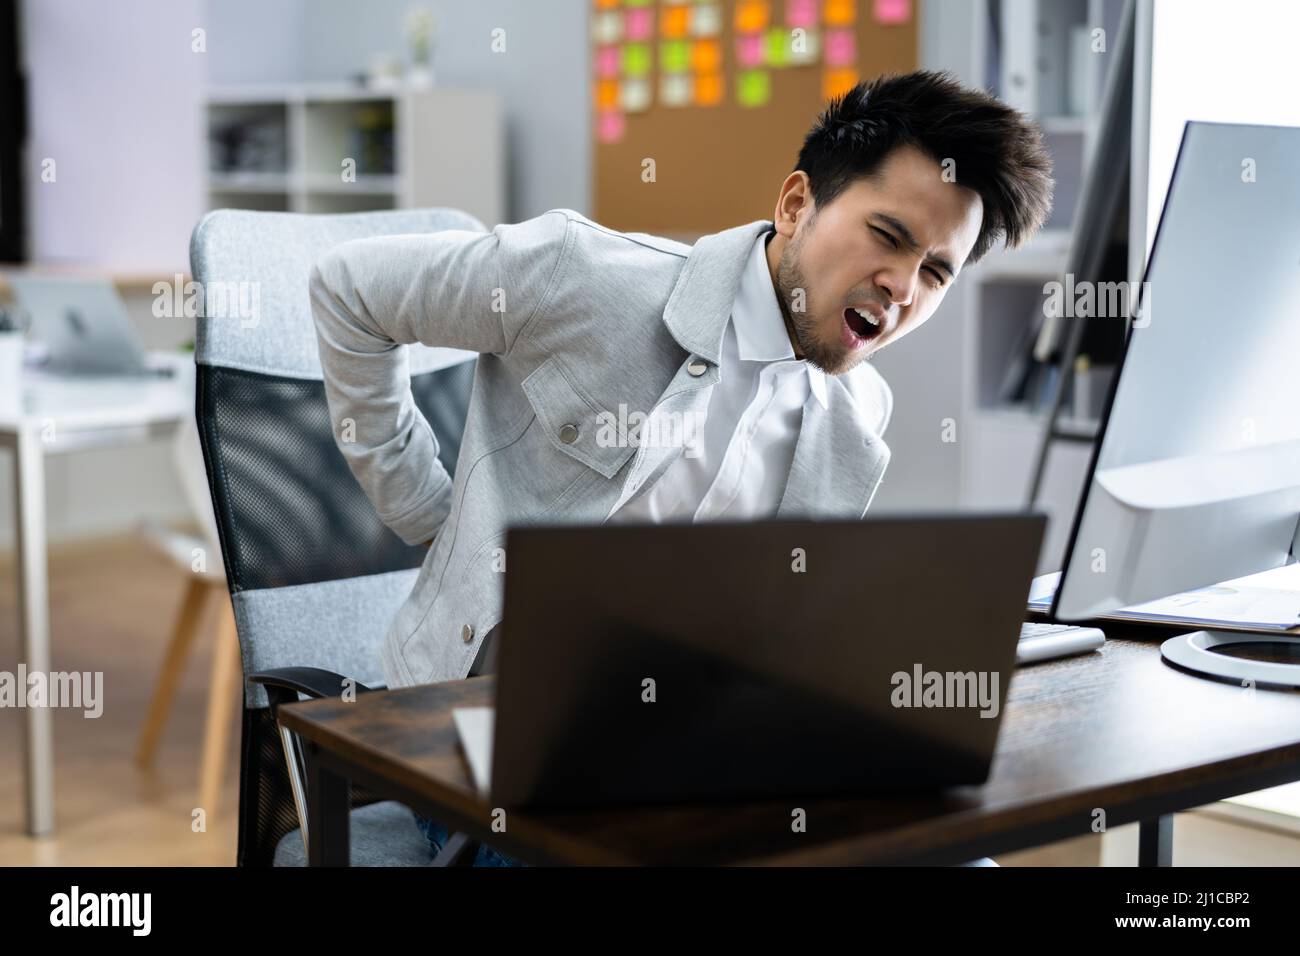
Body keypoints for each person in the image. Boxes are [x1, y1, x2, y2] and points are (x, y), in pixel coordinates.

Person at [309, 70, 1053, 865]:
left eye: (937, 272)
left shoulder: (857, 415)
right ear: (797, 205)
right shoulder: (582, 275)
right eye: (890, 236)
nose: (904, 288)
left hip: (698, 746)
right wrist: (428, 513)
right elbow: (348, 291)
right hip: (485, 747)